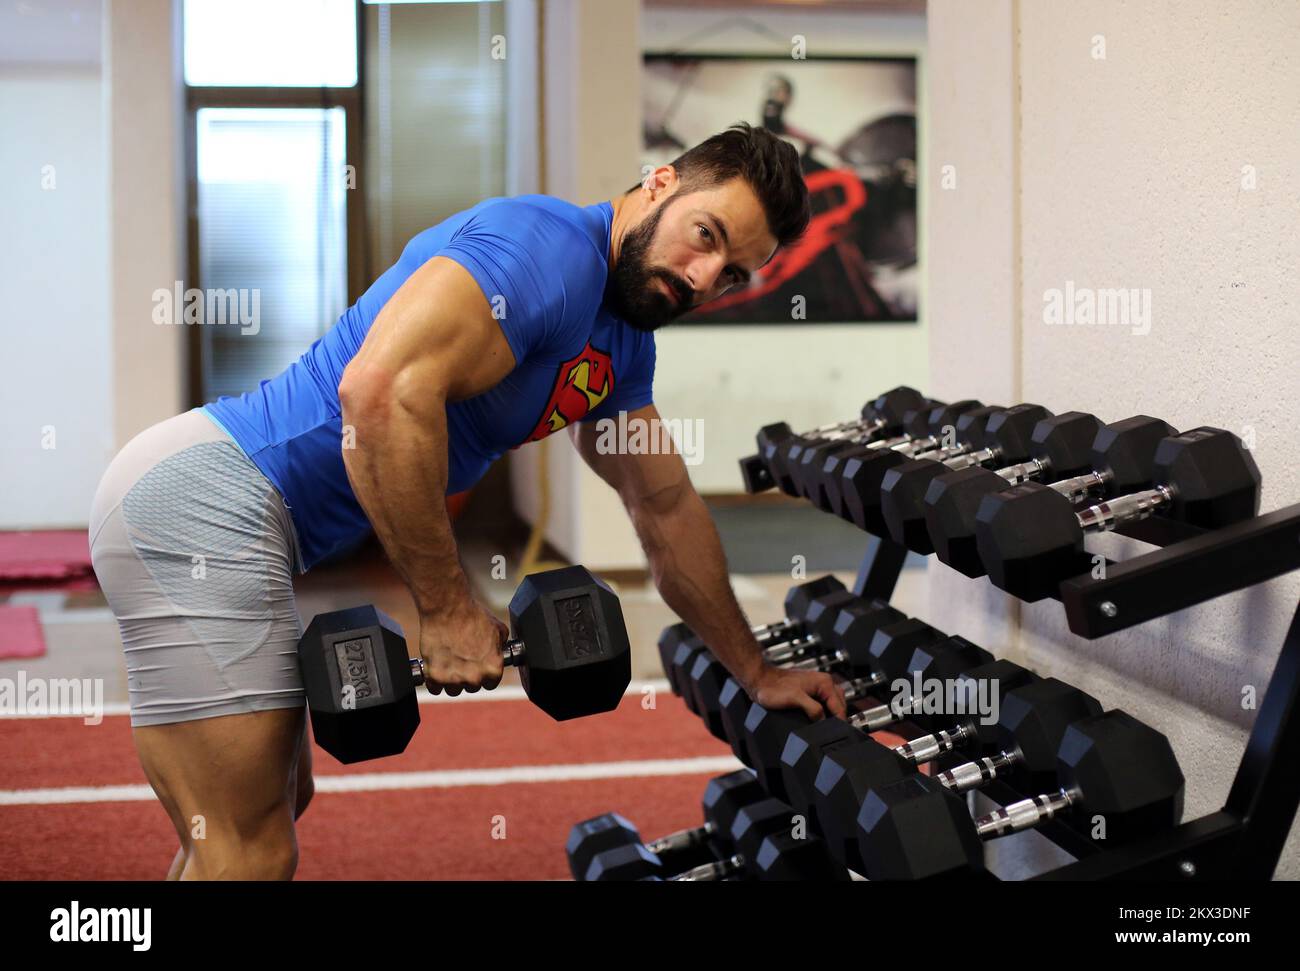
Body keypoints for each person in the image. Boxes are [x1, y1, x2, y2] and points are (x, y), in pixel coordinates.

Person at [88, 122, 846, 880]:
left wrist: (755, 670)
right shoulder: (542, 248)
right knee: (248, 850)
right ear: (658, 184)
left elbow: (666, 510)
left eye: (734, 274)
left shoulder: (622, 347)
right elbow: (377, 395)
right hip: (201, 503)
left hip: (234, 516)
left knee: (260, 816)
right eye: (705, 235)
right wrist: (447, 610)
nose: (705, 276)